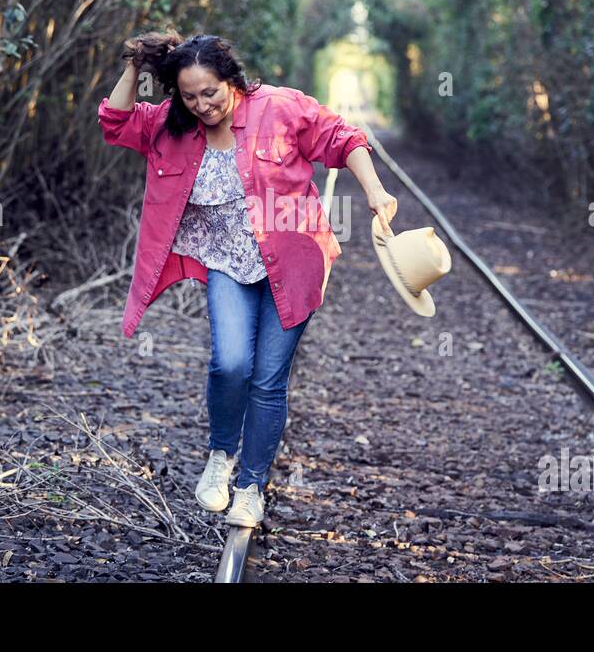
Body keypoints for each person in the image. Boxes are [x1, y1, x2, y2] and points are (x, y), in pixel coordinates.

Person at [97, 28, 397, 527]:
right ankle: (220, 457)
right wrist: (135, 67)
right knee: (230, 364)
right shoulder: (172, 125)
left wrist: (375, 191)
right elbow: (116, 122)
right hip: (228, 264)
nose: (202, 105)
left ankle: (252, 486)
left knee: (267, 380)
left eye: (210, 92)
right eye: (190, 96)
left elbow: (345, 139)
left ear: (231, 79)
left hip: (294, 261)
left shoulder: (281, 107)